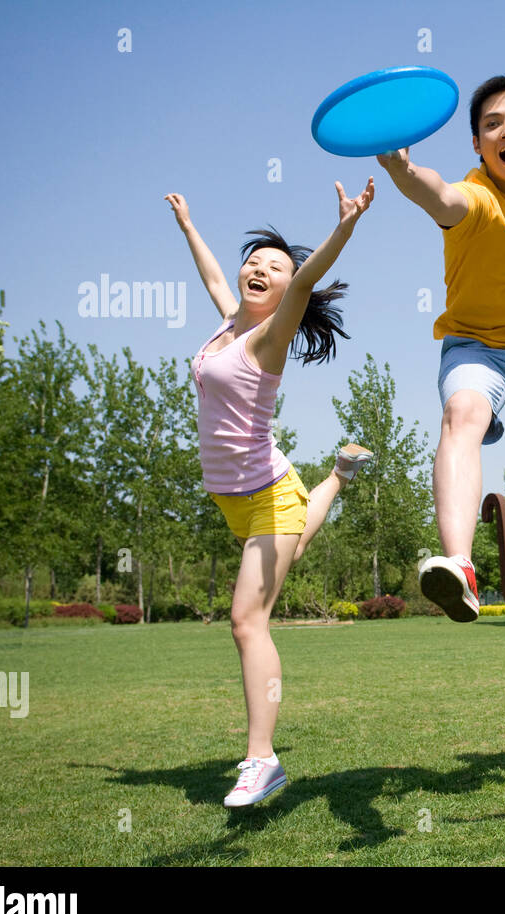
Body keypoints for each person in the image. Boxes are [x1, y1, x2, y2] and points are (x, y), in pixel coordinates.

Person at [165, 183, 375, 808]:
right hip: (232, 497)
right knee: (294, 552)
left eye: (274, 266)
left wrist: (345, 228)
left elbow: (309, 280)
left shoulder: (269, 339)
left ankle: (263, 760)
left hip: (269, 493)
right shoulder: (230, 322)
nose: (259, 267)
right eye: (255, 260)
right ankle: (339, 475)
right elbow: (210, 275)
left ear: (287, 292)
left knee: (247, 620)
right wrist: (187, 223)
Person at [376, 75, 505, 622]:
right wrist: (401, 169)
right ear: (477, 146)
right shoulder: (474, 200)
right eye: (491, 125)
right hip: (474, 347)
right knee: (462, 414)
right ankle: (460, 565)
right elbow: (437, 193)